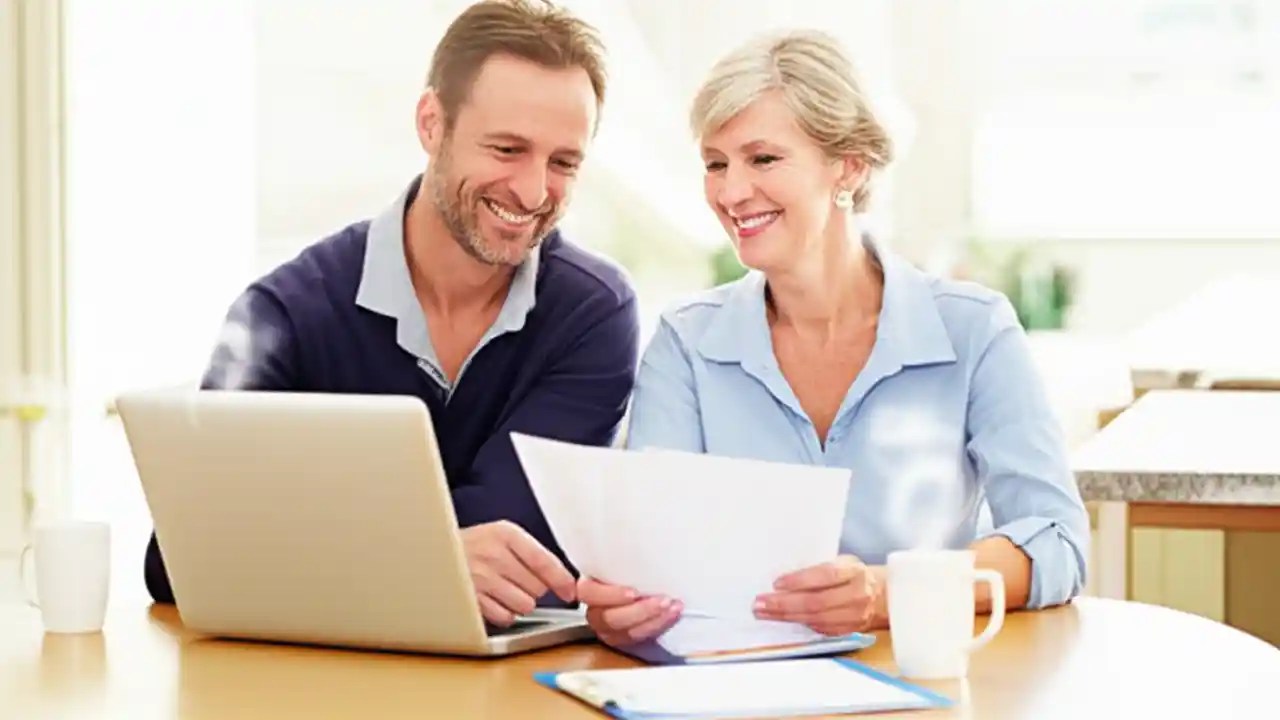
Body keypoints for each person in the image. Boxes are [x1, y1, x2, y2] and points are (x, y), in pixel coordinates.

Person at [579, 30, 1088, 649]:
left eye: (763, 159)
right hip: (737, 682)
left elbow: (1056, 540)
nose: (730, 192)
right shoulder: (686, 344)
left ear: (849, 165)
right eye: (715, 164)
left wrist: (886, 592)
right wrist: (621, 607)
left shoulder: (973, 329)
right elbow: (653, 554)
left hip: (923, 677)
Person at [143, 0, 640, 628]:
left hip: (506, 678)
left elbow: (513, 545)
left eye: (563, 162)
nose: (534, 190)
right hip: (314, 671)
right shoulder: (282, 316)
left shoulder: (593, 313)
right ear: (432, 124)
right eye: (507, 148)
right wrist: (433, 559)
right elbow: (179, 557)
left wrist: (310, 541)